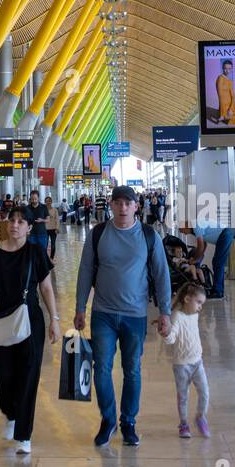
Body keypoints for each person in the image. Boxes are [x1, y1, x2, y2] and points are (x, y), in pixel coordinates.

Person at [74, 185, 172, 448]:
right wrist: (80, 306)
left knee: (132, 370)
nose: (122, 207)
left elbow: (162, 274)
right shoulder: (99, 234)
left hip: (135, 315)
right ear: (112, 206)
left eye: (127, 203)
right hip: (103, 313)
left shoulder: (148, 236)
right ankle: (108, 420)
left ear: (136, 206)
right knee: (102, 369)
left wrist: (165, 312)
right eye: (117, 203)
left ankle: (128, 421)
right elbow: (85, 271)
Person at [0, 209, 59, 454]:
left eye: (21, 221)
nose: (15, 225)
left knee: (28, 376)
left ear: (30, 227)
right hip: (2, 317)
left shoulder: (34, 252)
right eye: (12, 220)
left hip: (31, 319)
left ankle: (24, 435)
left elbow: (46, 287)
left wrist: (54, 319)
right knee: (2, 375)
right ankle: (11, 414)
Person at [163, 282, 210, 438]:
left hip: (197, 362)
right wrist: (166, 333)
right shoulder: (177, 315)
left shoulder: (194, 315)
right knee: (183, 396)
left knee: (204, 392)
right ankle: (183, 424)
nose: (200, 307)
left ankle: (200, 417)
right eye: (198, 302)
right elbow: (171, 339)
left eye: (202, 304)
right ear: (187, 299)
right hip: (182, 365)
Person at [191, 214, 235, 300]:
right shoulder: (196, 227)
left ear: (185, 226)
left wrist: (194, 259)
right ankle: (218, 290)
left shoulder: (195, 226)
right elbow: (204, 245)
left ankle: (218, 292)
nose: (182, 232)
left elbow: (200, 246)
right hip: (226, 234)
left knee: (218, 263)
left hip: (225, 234)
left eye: (181, 230)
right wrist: (197, 259)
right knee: (218, 263)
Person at [44, 196, 59, 261]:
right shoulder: (43, 210)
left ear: (51, 202)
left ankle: (51, 258)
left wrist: (57, 228)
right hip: (45, 230)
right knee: (44, 245)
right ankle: (45, 258)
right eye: (46, 201)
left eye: (49, 201)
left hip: (53, 229)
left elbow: (57, 219)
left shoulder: (55, 210)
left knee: (53, 245)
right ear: (45, 202)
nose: (48, 202)